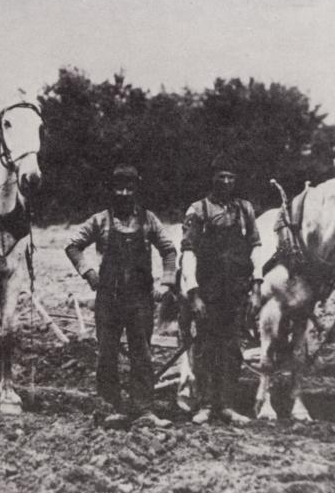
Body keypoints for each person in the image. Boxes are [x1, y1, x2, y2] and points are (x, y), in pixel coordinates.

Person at [65, 165, 177, 427]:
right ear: (112, 191)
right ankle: (109, 407)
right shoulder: (100, 220)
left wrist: (167, 282)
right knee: (107, 353)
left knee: (142, 353)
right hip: (108, 299)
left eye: (129, 189)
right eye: (119, 189)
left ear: (136, 191)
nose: (124, 194)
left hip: (140, 300)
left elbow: (169, 250)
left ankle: (144, 409)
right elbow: (72, 245)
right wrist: (89, 273)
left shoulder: (149, 220)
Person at [179, 154, 263, 425]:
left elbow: (256, 247)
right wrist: (194, 293)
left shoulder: (244, 210)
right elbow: (188, 252)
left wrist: (257, 286)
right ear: (212, 179)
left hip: (236, 290)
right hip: (208, 290)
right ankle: (204, 405)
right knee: (205, 347)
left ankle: (226, 405)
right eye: (221, 177)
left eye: (231, 177)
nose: (226, 182)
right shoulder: (198, 210)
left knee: (232, 348)